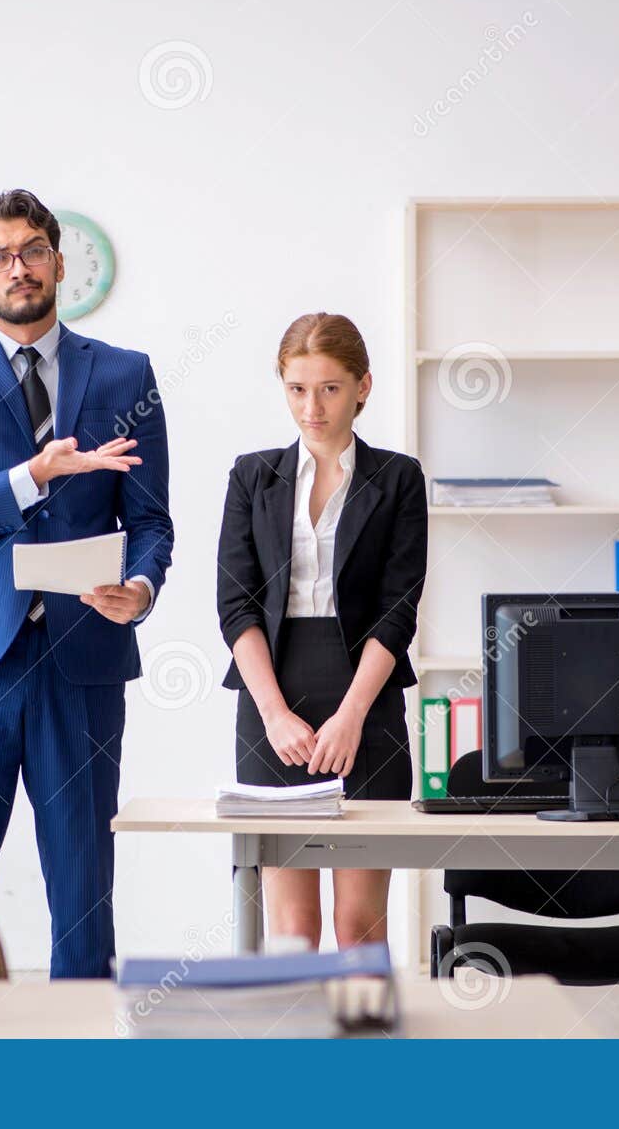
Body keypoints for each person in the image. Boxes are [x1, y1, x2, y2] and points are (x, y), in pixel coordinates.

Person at [0, 188, 173, 978]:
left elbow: (152, 522)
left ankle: (81, 1087)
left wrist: (142, 589)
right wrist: (29, 477)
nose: (19, 268)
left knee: (85, 893)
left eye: (32, 251)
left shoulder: (126, 374)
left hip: (81, 660)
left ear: (58, 260)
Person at [216, 312, 427, 949]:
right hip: (272, 703)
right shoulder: (253, 476)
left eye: (330, 388)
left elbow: (398, 609)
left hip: (366, 700)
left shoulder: (397, 478)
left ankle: (362, 1047)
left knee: (357, 925)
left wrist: (352, 714)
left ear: (363, 386)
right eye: (297, 389)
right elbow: (236, 606)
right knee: (291, 928)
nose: (312, 407)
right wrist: (275, 713)